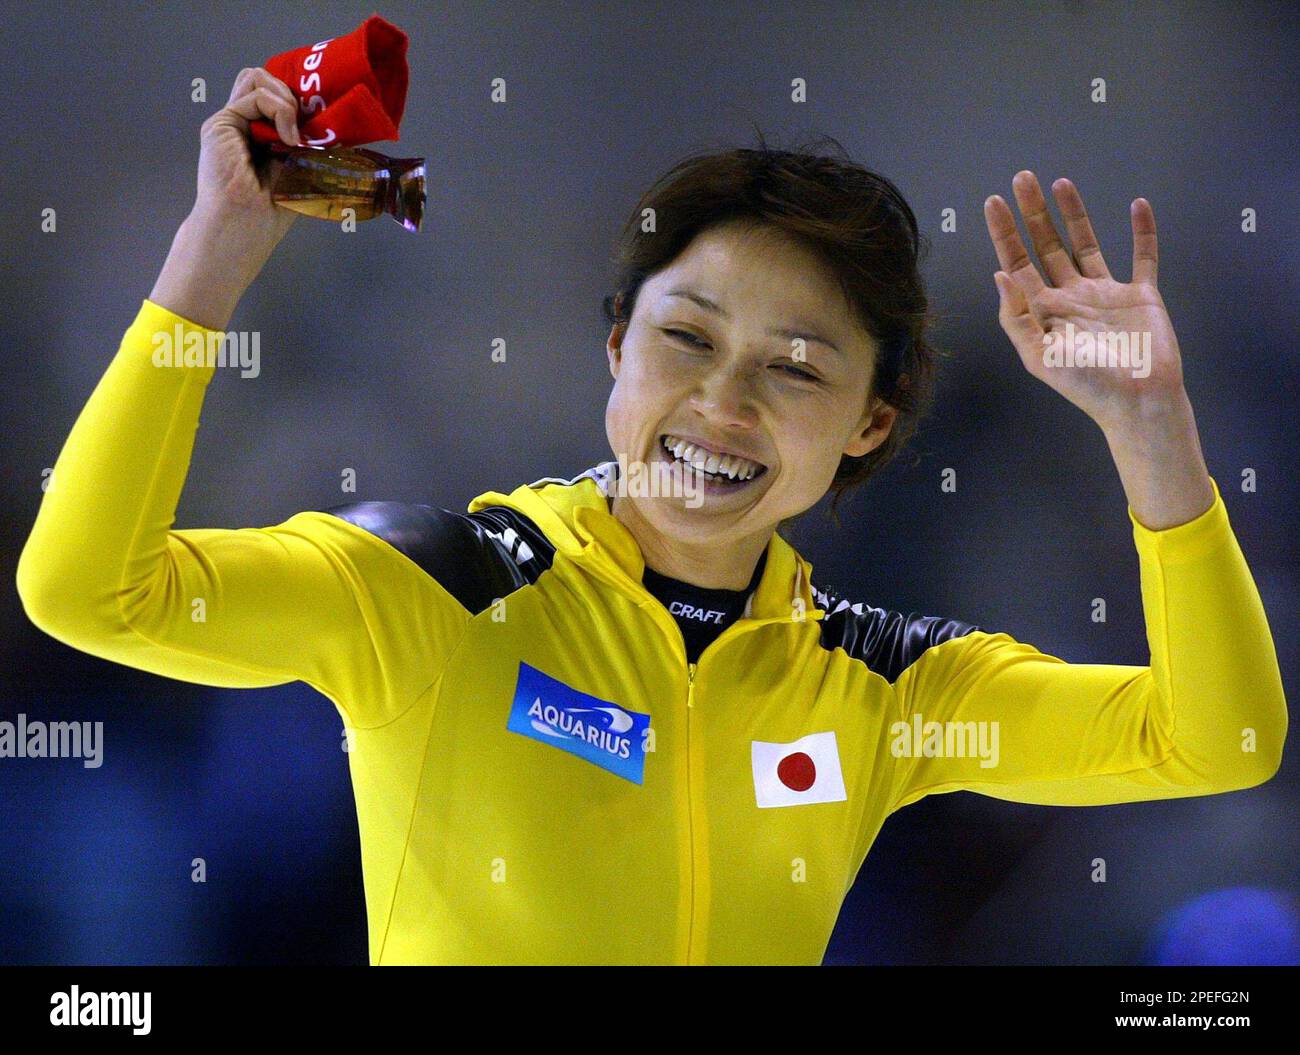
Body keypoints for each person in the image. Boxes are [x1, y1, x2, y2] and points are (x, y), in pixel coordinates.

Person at [15, 68, 1288, 966]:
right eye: (686, 339)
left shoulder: (882, 686)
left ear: (869, 424)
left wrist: (1149, 429)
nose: (723, 403)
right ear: (617, 347)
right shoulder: (443, 588)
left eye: (795, 367)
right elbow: (87, 588)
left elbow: (1217, 737)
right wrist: (207, 262)